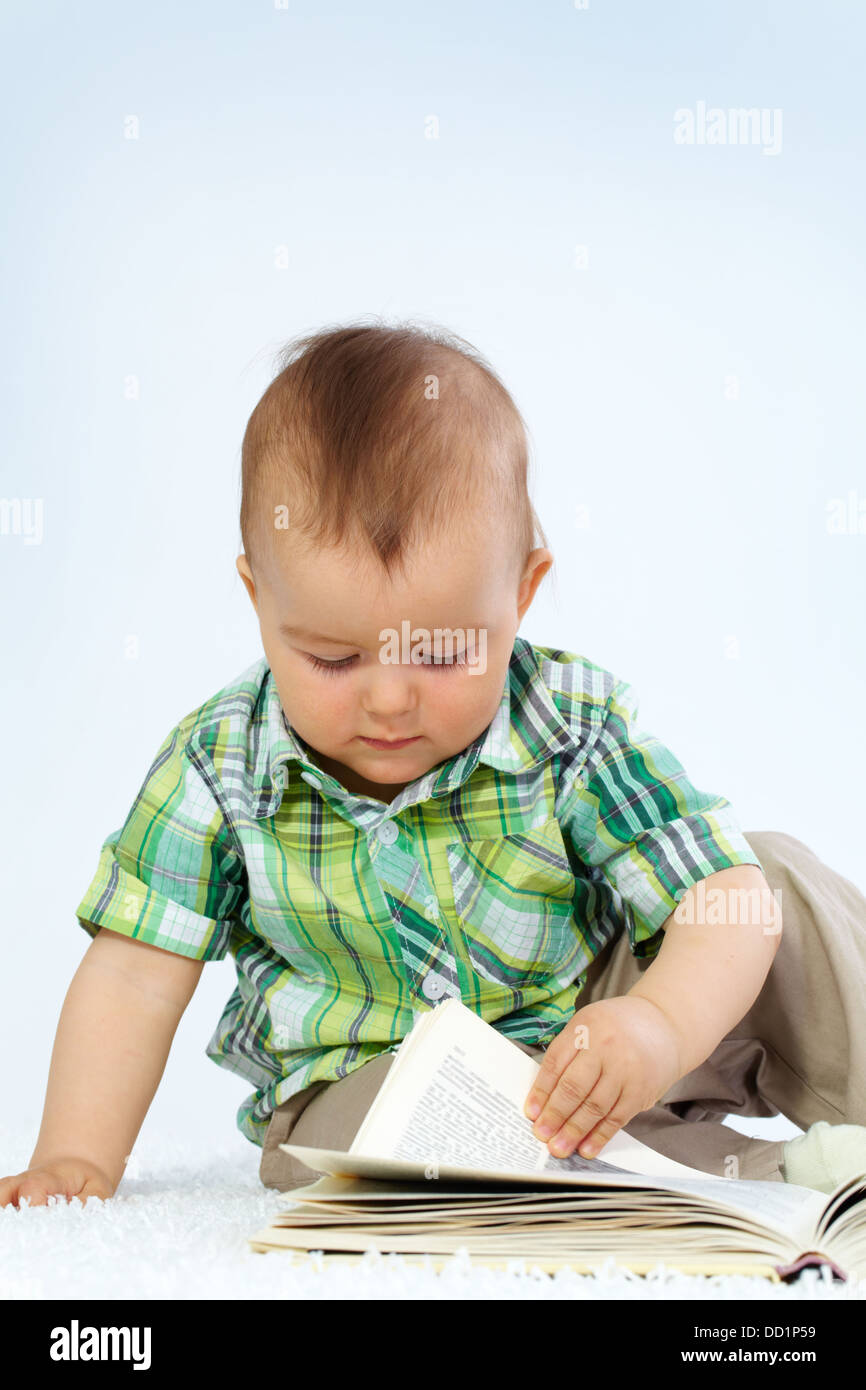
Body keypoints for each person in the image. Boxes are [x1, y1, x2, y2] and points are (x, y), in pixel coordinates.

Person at [3, 320, 865, 1212]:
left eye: (445, 652)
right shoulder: (220, 765)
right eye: (333, 660)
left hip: (599, 1043)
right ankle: (758, 1181)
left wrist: (654, 1025)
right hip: (364, 1087)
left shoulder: (565, 725)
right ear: (260, 600)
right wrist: (75, 1155)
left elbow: (713, 895)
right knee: (399, 1139)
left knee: (767, 880)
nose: (387, 700)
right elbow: (135, 972)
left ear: (520, 595)